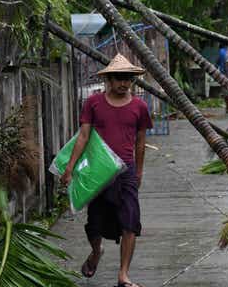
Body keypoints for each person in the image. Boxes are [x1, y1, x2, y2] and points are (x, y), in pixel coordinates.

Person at [61, 53, 152, 287]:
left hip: (126, 171)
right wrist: (70, 168)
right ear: (109, 79)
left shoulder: (140, 107)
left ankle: (123, 275)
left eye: (128, 78)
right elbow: (83, 136)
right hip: (98, 173)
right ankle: (96, 251)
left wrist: (139, 172)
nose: (124, 83)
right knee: (95, 222)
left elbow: (140, 142)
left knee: (131, 220)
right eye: (119, 78)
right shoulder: (93, 103)